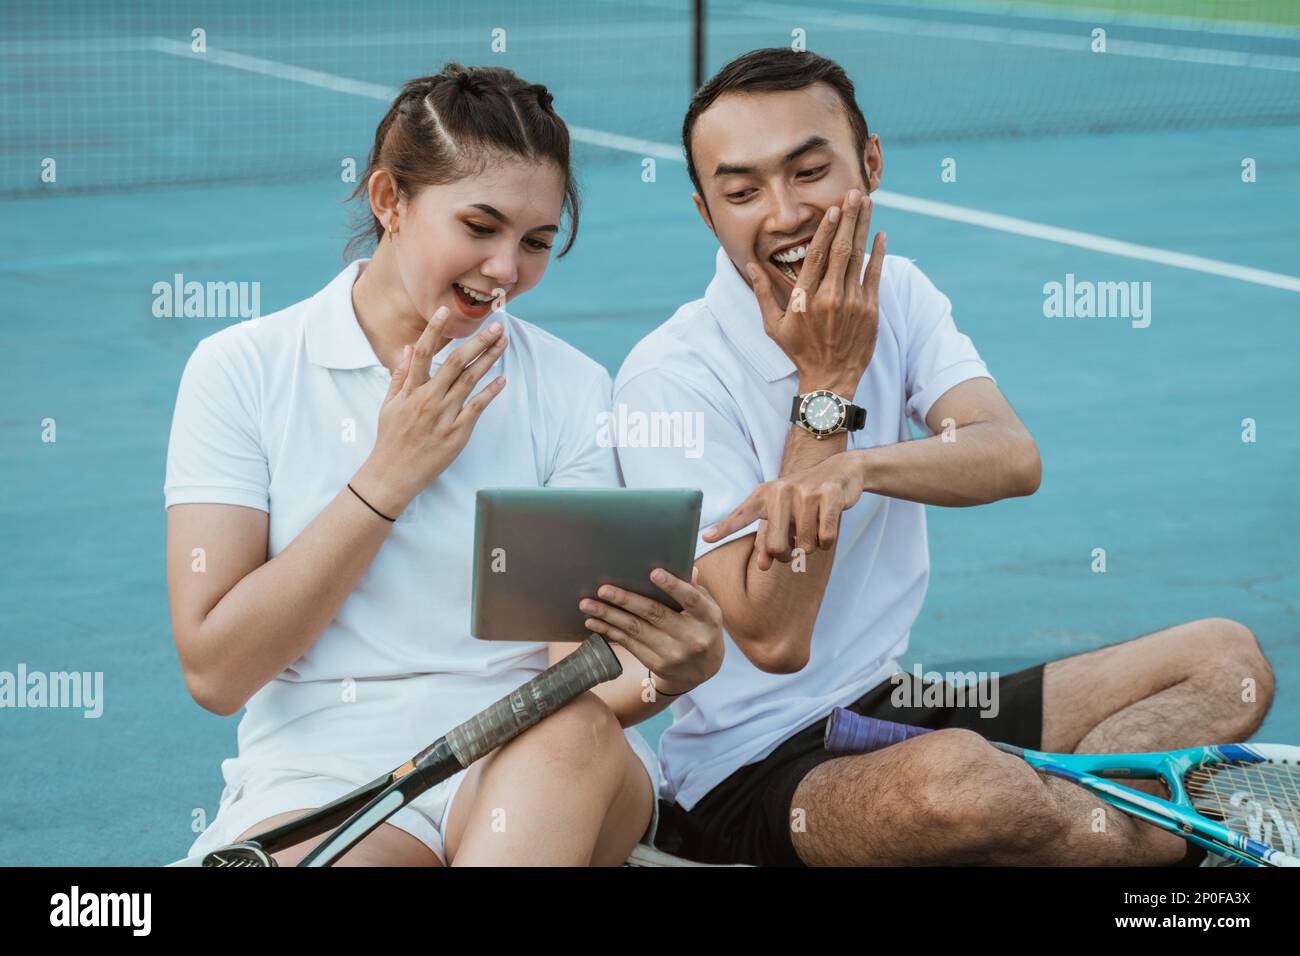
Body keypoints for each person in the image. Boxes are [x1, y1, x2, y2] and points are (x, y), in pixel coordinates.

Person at [611, 47, 1274, 866]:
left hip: (900, 705)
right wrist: (828, 386)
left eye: (809, 171)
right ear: (706, 212)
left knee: (1225, 661)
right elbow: (776, 638)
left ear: (872, 163)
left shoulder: (901, 292)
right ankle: (1137, 838)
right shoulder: (666, 379)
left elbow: (1009, 455)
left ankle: (1059, 825)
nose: (783, 214)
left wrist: (858, 466)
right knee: (965, 784)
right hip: (754, 767)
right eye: (741, 191)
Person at [164, 64, 724, 867]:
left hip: (538, 756)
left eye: (536, 242)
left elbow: (581, 675)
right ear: (389, 201)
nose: (505, 270)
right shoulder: (241, 371)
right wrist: (388, 478)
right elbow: (217, 672)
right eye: (480, 226)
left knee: (567, 737)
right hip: (323, 778)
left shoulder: (570, 387)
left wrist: (672, 672)